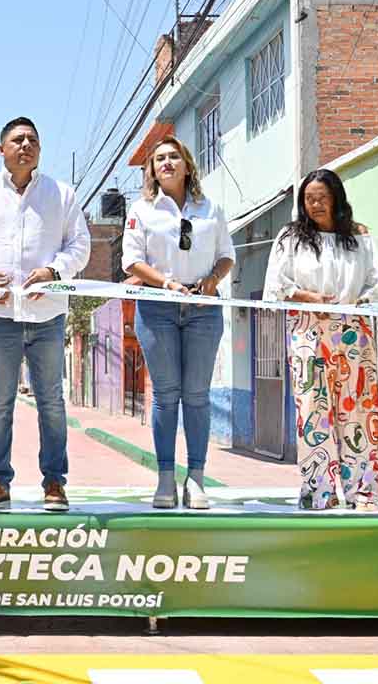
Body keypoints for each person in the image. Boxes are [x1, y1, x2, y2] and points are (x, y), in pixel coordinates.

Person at [0, 116, 90, 512]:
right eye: (17, 139)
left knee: (52, 402)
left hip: (48, 315)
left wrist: (54, 271)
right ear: (1, 150)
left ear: (39, 149)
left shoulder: (61, 194)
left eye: (32, 140)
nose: (26, 145)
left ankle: (54, 482)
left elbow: (80, 245)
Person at [122, 136, 235, 510]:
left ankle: (196, 479)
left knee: (197, 395)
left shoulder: (210, 208)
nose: (167, 162)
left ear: (187, 165)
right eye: (159, 159)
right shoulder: (142, 210)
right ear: (152, 171)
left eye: (174, 157)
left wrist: (212, 280)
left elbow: (226, 255)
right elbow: (131, 261)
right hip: (158, 308)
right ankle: (165, 478)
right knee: (166, 395)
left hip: (203, 309)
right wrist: (167, 284)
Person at [263, 169, 378, 511]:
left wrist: (357, 302)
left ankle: (363, 492)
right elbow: (276, 284)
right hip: (308, 331)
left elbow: (375, 284)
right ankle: (319, 491)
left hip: (353, 334)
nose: (315, 205)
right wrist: (308, 297)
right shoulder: (291, 238)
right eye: (309, 199)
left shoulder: (360, 237)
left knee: (358, 410)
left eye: (322, 198)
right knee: (312, 411)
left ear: (337, 200)